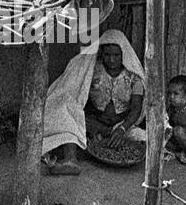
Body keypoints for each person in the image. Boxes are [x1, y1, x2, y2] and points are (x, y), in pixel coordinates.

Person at [43, 29, 145, 175]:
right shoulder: (92, 69)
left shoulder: (133, 77)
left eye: (116, 55)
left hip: (123, 125)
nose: (111, 59)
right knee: (66, 114)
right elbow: (73, 91)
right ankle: (71, 160)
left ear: (124, 55)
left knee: (141, 139)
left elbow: (136, 107)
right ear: (101, 54)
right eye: (107, 55)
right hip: (94, 122)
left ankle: (100, 141)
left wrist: (122, 128)